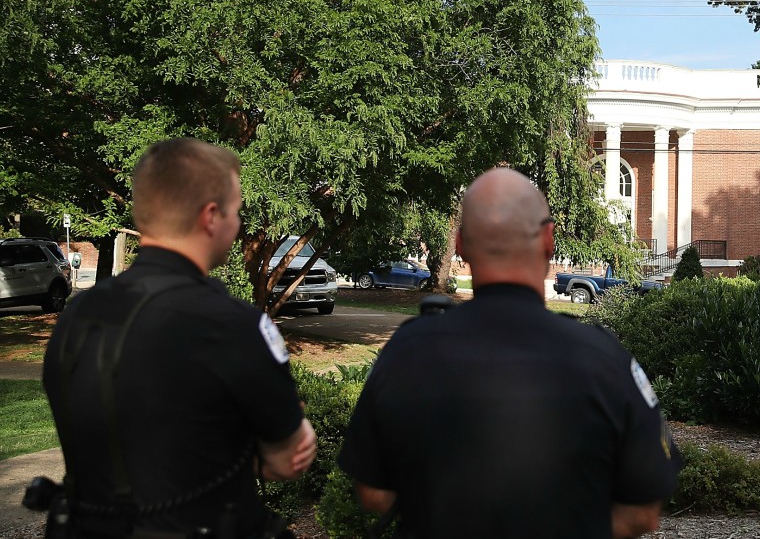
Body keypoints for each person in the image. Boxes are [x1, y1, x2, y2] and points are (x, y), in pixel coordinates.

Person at [338, 167, 681, 539]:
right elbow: (643, 512)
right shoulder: (606, 360)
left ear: (460, 244)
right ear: (549, 240)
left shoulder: (405, 353)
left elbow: (373, 492)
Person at [42, 138, 316, 538]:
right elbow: (286, 460)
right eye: (237, 211)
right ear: (210, 216)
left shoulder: (76, 318)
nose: (239, 225)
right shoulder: (231, 323)